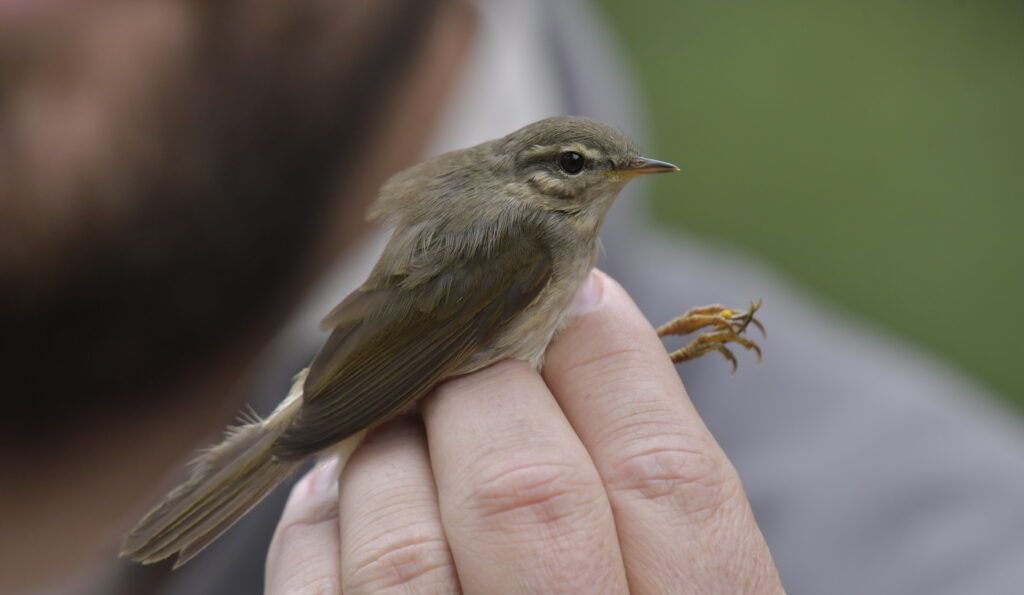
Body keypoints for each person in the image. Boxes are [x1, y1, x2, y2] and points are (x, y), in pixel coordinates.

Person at [3, 1, 1023, 594]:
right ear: (542, 174)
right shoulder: (527, 235)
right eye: (581, 167)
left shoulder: (947, 550)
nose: (605, 182)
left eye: (608, 171)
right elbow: (454, 350)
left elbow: (511, 361)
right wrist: (312, 430)